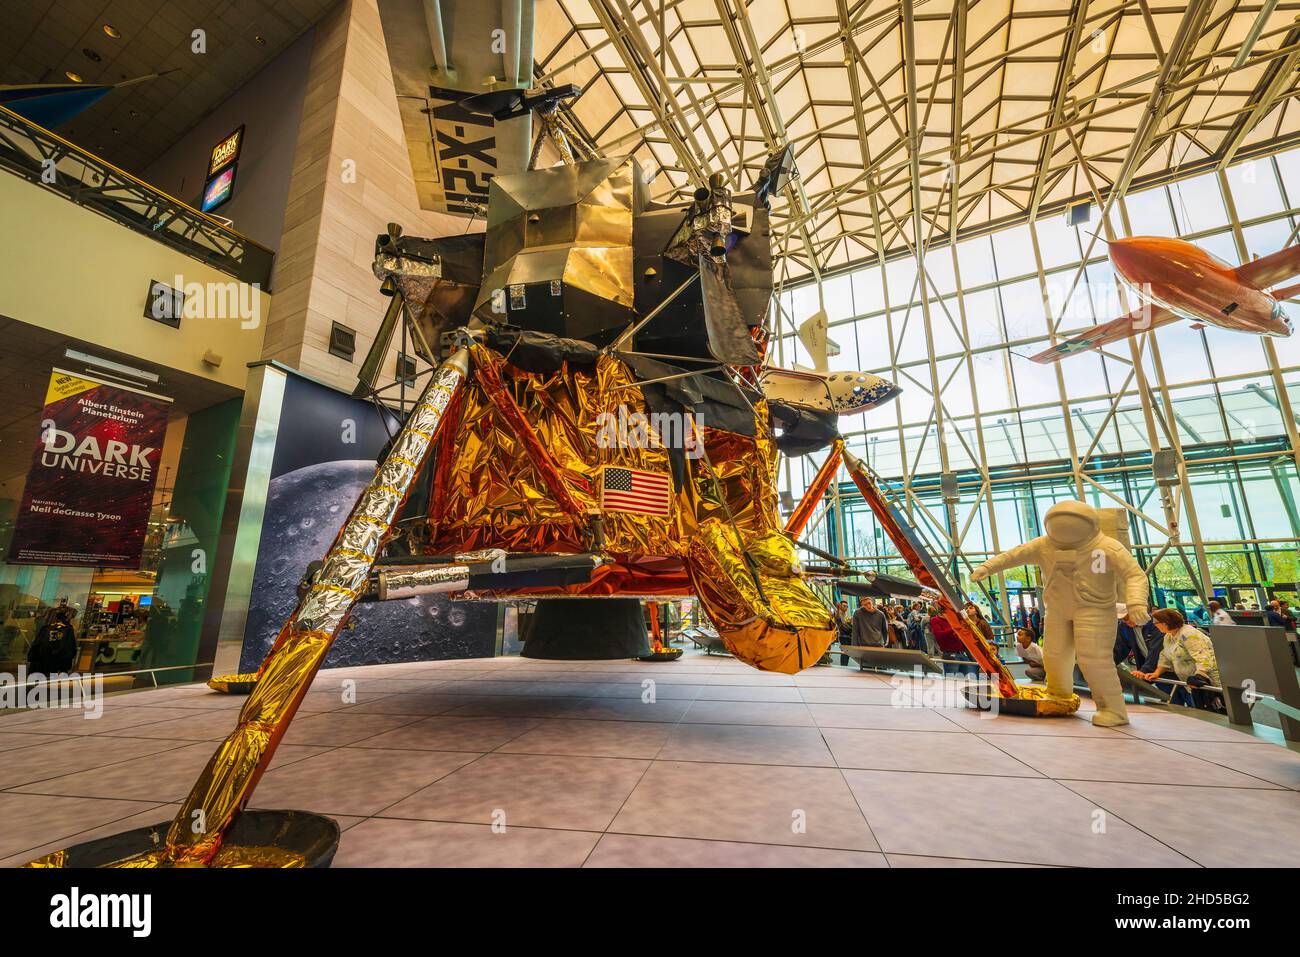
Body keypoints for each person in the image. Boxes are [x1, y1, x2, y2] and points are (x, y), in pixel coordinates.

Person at [1133, 608, 1223, 712]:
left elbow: (1203, 656)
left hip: (1209, 683)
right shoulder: (1168, 636)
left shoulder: (1189, 634)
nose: (1154, 625)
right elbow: (1165, 657)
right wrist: (1156, 673)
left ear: (1165, 623)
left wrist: (1199, 675)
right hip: (1190, 684)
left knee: (1216, 711)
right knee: (1199, 710)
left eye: (1156, 623)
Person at [27, 605, 78, 675]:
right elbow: (70, 647)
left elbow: (37, 644)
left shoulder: (47, 628)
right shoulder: (67, 629)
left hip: (46, 658)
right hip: (55, 659)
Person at [929, 606, 977, 675]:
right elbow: (939, 635)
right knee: (951, 679)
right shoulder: (935, 620)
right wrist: (954, 629)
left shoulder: (953, 620)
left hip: (962, 652)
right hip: (950, 653)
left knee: (967, 678)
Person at [833, 599, 853, 666]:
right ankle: (844, 666)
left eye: (847, 606)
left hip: (848, 636)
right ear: (840, 606)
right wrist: (838, 609)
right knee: (844, 653)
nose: (846, 607)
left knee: (847, 653)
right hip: (843, 636)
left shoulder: (846, 614)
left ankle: (845, 665)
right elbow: (837, 619)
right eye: (844, 606)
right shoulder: (838, 613)